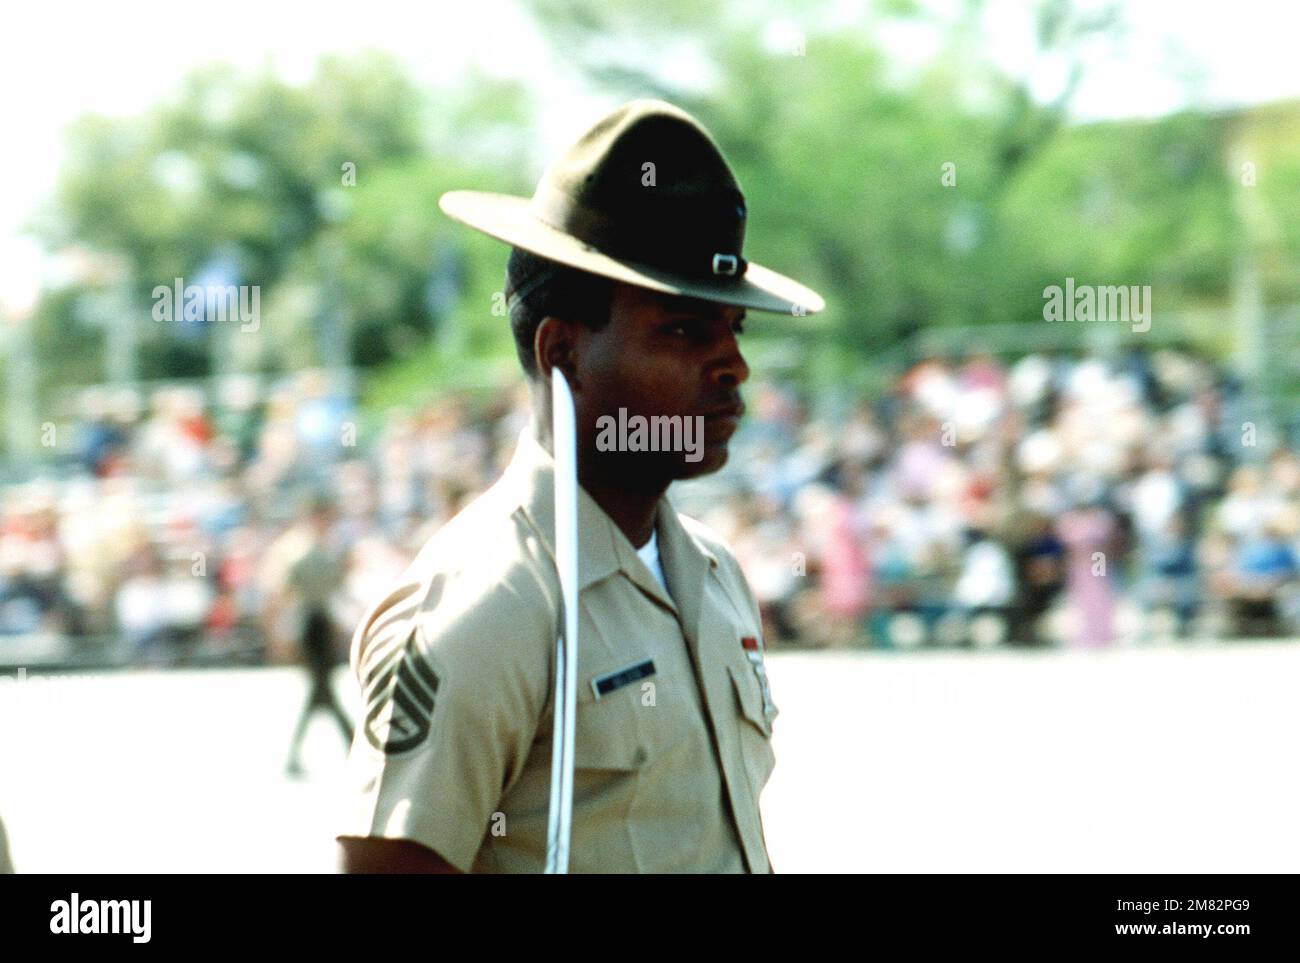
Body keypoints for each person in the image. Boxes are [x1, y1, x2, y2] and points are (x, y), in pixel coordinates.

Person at [335, 99, 824, 873]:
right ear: (562, 351)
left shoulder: (713, 574)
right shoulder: (487, 603)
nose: (734, 366)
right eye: (685, 330)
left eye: (737, 330)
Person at [278, 491, 354, 777]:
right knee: (322, 692)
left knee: (321, 692)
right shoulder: (305, 553)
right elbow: (289, 593)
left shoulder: (323, 550)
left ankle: (343, 746)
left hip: (321, 622)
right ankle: (351, 744)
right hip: (312, 624)